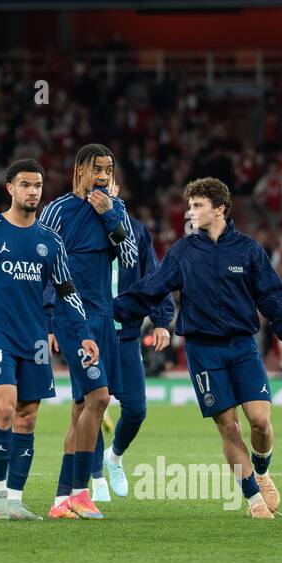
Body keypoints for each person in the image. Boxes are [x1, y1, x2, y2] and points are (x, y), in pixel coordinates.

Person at [114, 178, 282, 521]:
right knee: (228, 427)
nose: (191, 212)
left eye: (198, 206)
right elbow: (152, 288)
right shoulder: (184, 252)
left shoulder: (248, 249)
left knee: (260, 421)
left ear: (220, 209)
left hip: (243, 347)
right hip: (203, 351)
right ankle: (253, 500)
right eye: (190, 206)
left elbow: (273, 294)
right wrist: (110, 308)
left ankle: (261, 471)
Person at [0, 159, 96, 521]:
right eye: (26, 185)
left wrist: (86, 334)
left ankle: (14, 500)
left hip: (33, 337)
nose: (33, 191)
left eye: (38, 185)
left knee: (27, 418)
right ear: (10, 188)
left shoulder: (51, 241)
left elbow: (67, 292)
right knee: (3, 407)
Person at [38, 144, 132, 516]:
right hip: (72, 316)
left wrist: (110, 215)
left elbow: (129, 258)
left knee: (81, 407)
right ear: (80, 169)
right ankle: (79, 491)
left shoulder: (115, 208)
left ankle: (63, 498)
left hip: (103, 316)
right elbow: (40, 263)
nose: (104, 175)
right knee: (98, 399)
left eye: (108, 168)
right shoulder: (58, 210)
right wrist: (47, 322)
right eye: (97, 168)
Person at [90, 192, 174, 503]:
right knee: (92, 406)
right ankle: (96, 475)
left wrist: (162, 319)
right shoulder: (79, 227)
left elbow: (155, 276)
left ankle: (114, 457)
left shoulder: (136, 231)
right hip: (90, 331)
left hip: (125, 333)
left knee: (136, 410)